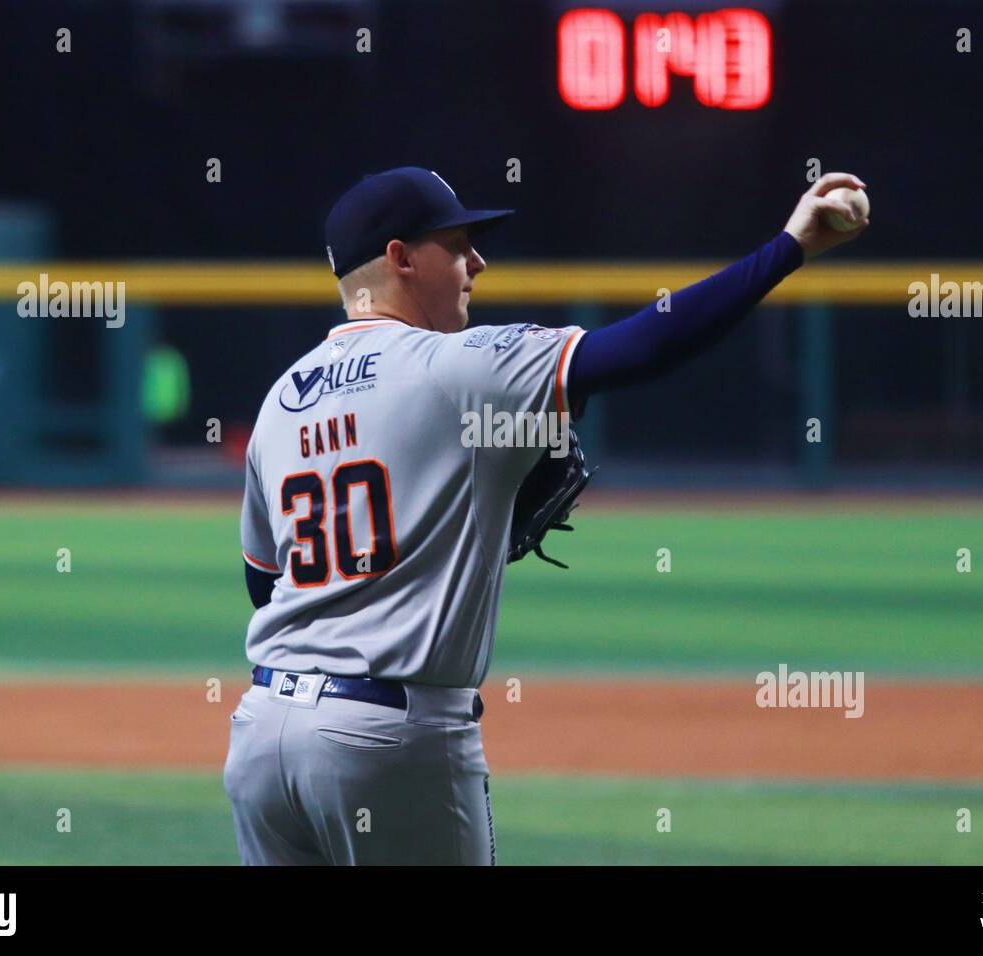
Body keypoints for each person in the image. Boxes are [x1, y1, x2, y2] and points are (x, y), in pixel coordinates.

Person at [223, 166, 868, 865]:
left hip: (262, 741)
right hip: (387, 742)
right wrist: (790, 245)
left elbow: (269, 585)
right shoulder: (458, 366)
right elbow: (642, 347)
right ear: (400, 259)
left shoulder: (280, 402)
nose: (478, 262)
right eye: (457, 243)